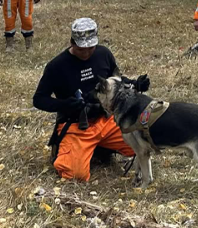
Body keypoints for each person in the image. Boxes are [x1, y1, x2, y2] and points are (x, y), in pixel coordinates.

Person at [33, 18, 142, 181]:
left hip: (106, 120)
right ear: (72, 42)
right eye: (81, 49)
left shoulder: (103, 54)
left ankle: (100, 148)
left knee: (142, 143)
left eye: (90, 48)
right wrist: (65, 105)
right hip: (78, 125)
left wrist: (135, 84)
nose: (86, 53)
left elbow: (116, 80)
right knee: (75, 174)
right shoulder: (56, 66)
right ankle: (67, 148)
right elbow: (39, 99)